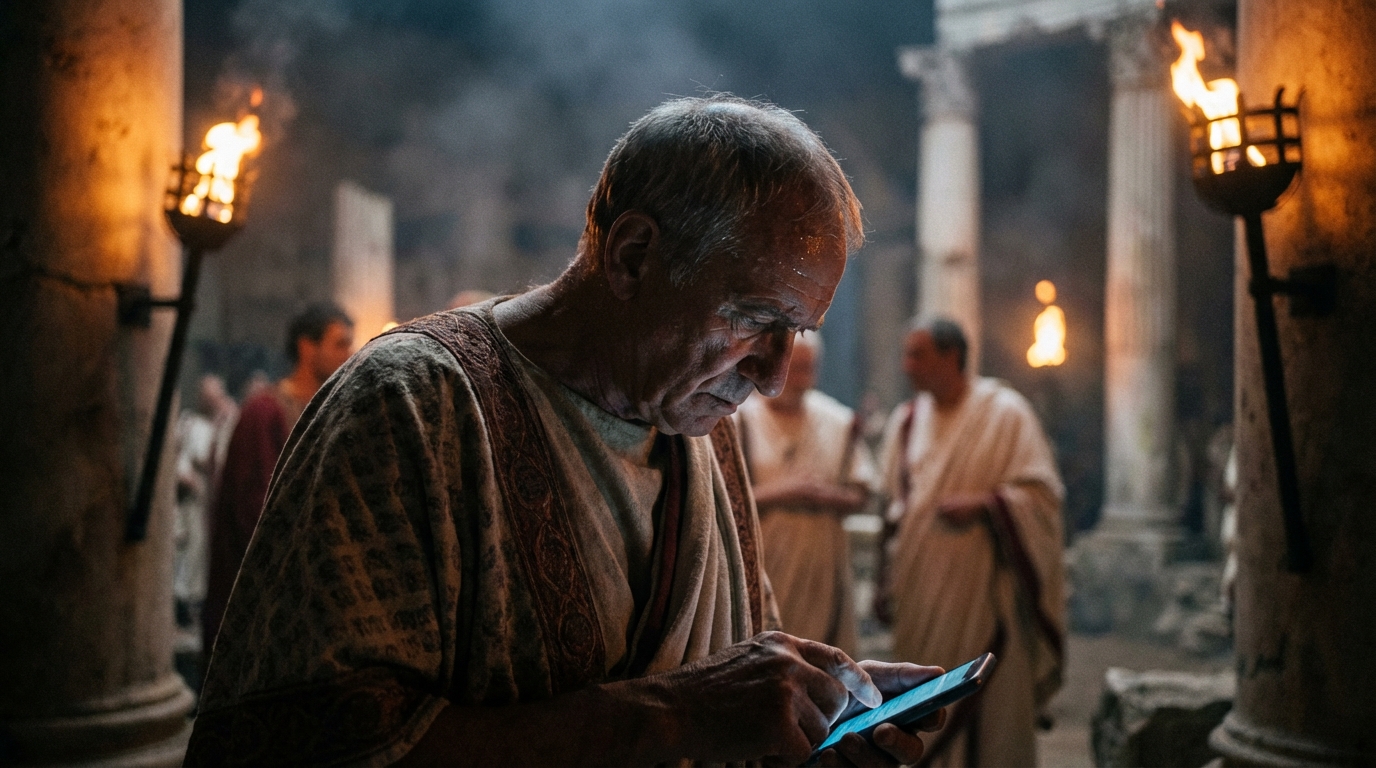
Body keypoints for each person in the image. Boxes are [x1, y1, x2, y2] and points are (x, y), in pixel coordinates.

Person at [186, 96, 946, 767]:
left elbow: (738, 656)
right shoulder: (414, 404)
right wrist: (674, 717)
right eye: (756, 320)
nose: (777, 375)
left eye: (800, 332)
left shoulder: (701, 423)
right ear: (633, 255)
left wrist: (811, 715)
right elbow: (302, 741)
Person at [876, 317, 1065, 767]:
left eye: (917, 354)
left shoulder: (1004, 412)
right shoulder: (906, 421)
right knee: (921, 700)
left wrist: (987, 505)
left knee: (991, 712)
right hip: (921, 592)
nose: (906, 365)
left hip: (984, 592)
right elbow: (893, 507)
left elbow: (1041, 497)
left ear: (952, 357)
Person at [201, 303, 354, 658]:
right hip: (274, 585)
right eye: (339, 343)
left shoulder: (334, 405)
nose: (349, 353)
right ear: (307, 347)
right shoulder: (264, 411)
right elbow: (254, 508)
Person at [735, 332, 877, 656]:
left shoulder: (838, 421)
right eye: (794, 368)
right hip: (765, 562)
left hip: (822, 568)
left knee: (822, 660)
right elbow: (726, 500)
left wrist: (821, 496)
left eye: (808, 369)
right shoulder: (740, 418)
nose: (802, 379)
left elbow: (862, 494)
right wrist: (786, 492)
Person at [173, 375, 238, 642]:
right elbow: (178, 457)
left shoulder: (220, 425)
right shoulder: (189, 424)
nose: (211, 399)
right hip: (187, 502)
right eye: (206, 394)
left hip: (206, 503)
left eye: (215, 394)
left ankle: (194, 607)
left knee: (200, 556)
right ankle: (181, 607)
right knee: (185, 555)